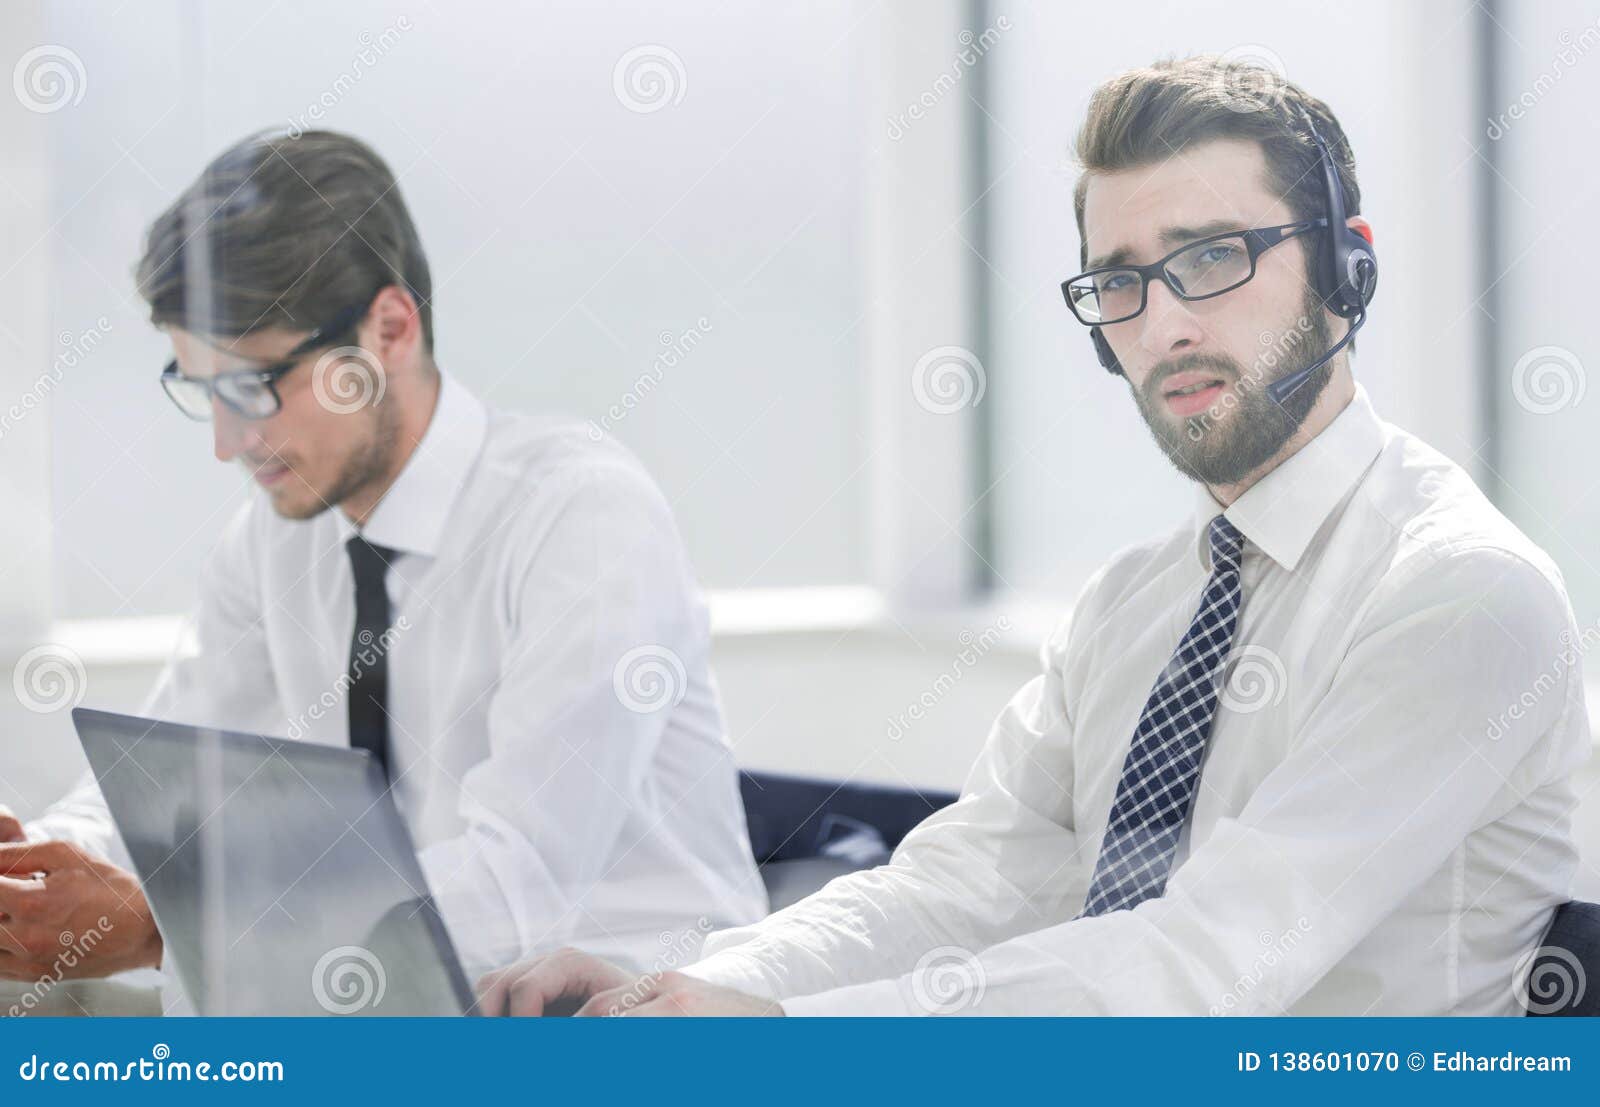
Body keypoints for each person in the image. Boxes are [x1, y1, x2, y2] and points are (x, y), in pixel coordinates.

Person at [477, 55, 1589, 1017]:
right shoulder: (1134, 604)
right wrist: (691, 986)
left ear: (1347, 268)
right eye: (1120, 282)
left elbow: (1202, 966)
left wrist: (778, 1030)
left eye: (1212, 257)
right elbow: (958, 892)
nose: (1163, 325)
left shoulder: (1461, 595)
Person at [0, 131, 766, 990]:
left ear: (390, 329)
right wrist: (31, 863)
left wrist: (164, 927)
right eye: (201, 390)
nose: (226, 443)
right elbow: (159, 791)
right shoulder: (276, 537)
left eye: (252, 386)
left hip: (634, 1013)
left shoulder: (582, 518)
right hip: (390, 1008)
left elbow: (517, 886)